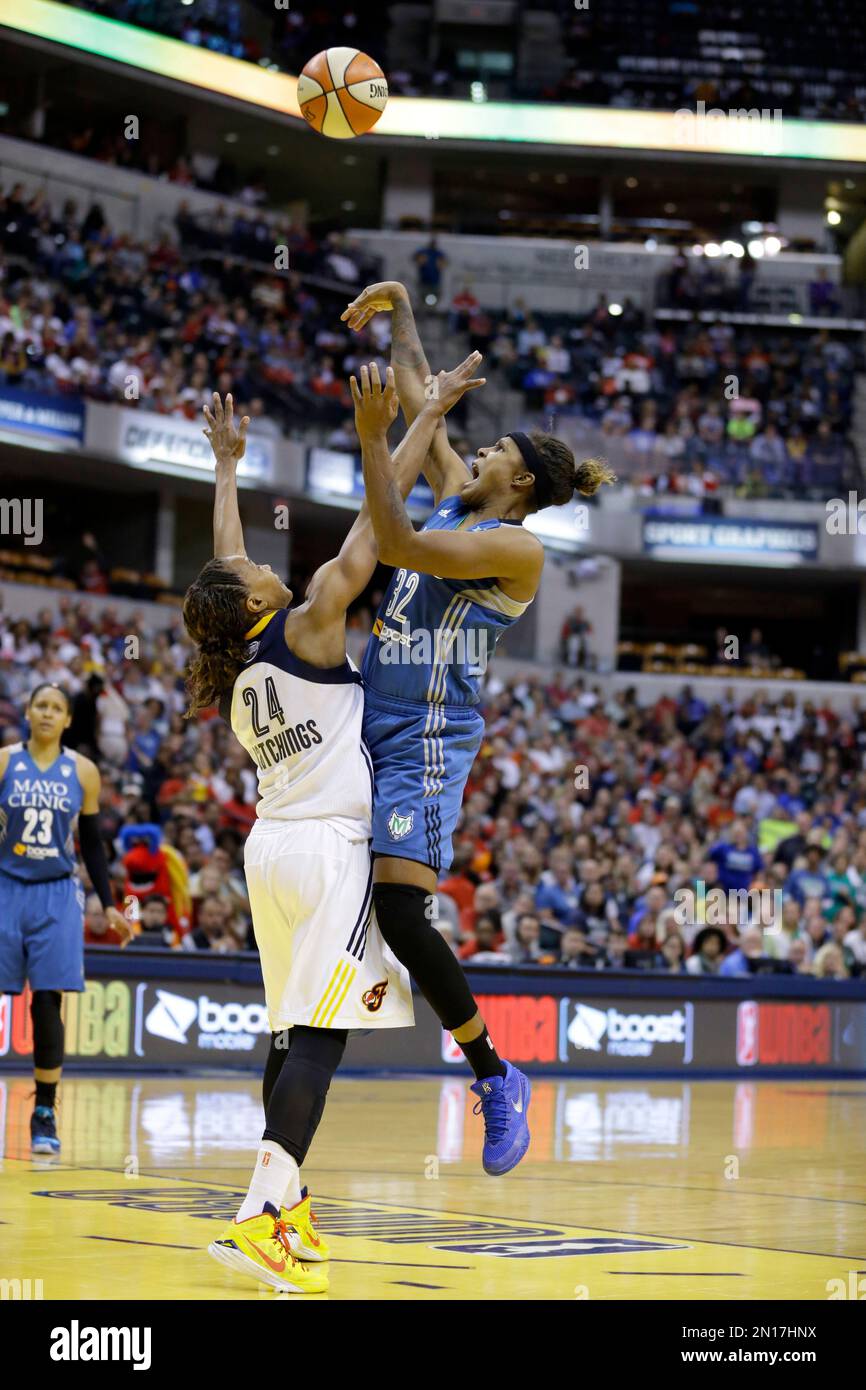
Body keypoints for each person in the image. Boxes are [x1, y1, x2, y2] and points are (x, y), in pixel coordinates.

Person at [181, 385, 475, 1294]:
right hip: (328, 852)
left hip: (269, 852)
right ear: (252, 601)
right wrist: (404, 427)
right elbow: (372, 531)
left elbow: (223, 557)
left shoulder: (239, 661)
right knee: (323, 1033)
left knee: (286, 1030)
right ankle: (257, 1222)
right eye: (256, 570)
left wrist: (228, 467)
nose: (265, 563)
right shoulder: (307, 620)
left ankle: (290, 1200)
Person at [341, 280, 615, 1177]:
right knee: (342, 889)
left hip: (423, 732)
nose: (477, 447)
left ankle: (495, 1074)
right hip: (365, 711)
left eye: (493, 445)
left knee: (400, 908)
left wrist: (378, 444)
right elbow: (426, 397)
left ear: (522, 480)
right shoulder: (463, 495)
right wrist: (402, 309)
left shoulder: (518, 549)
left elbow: (399, 544)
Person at [0, 683, 132, 1154]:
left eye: (57, 708)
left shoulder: (84, 771)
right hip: (7, 886)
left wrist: (110, 904)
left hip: (57, 892)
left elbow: (92, 844)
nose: (48, 714)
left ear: (68, 720)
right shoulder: (4, 761)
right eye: (40, 705)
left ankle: (44, 1111)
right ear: (29, 712)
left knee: (47, 1000)